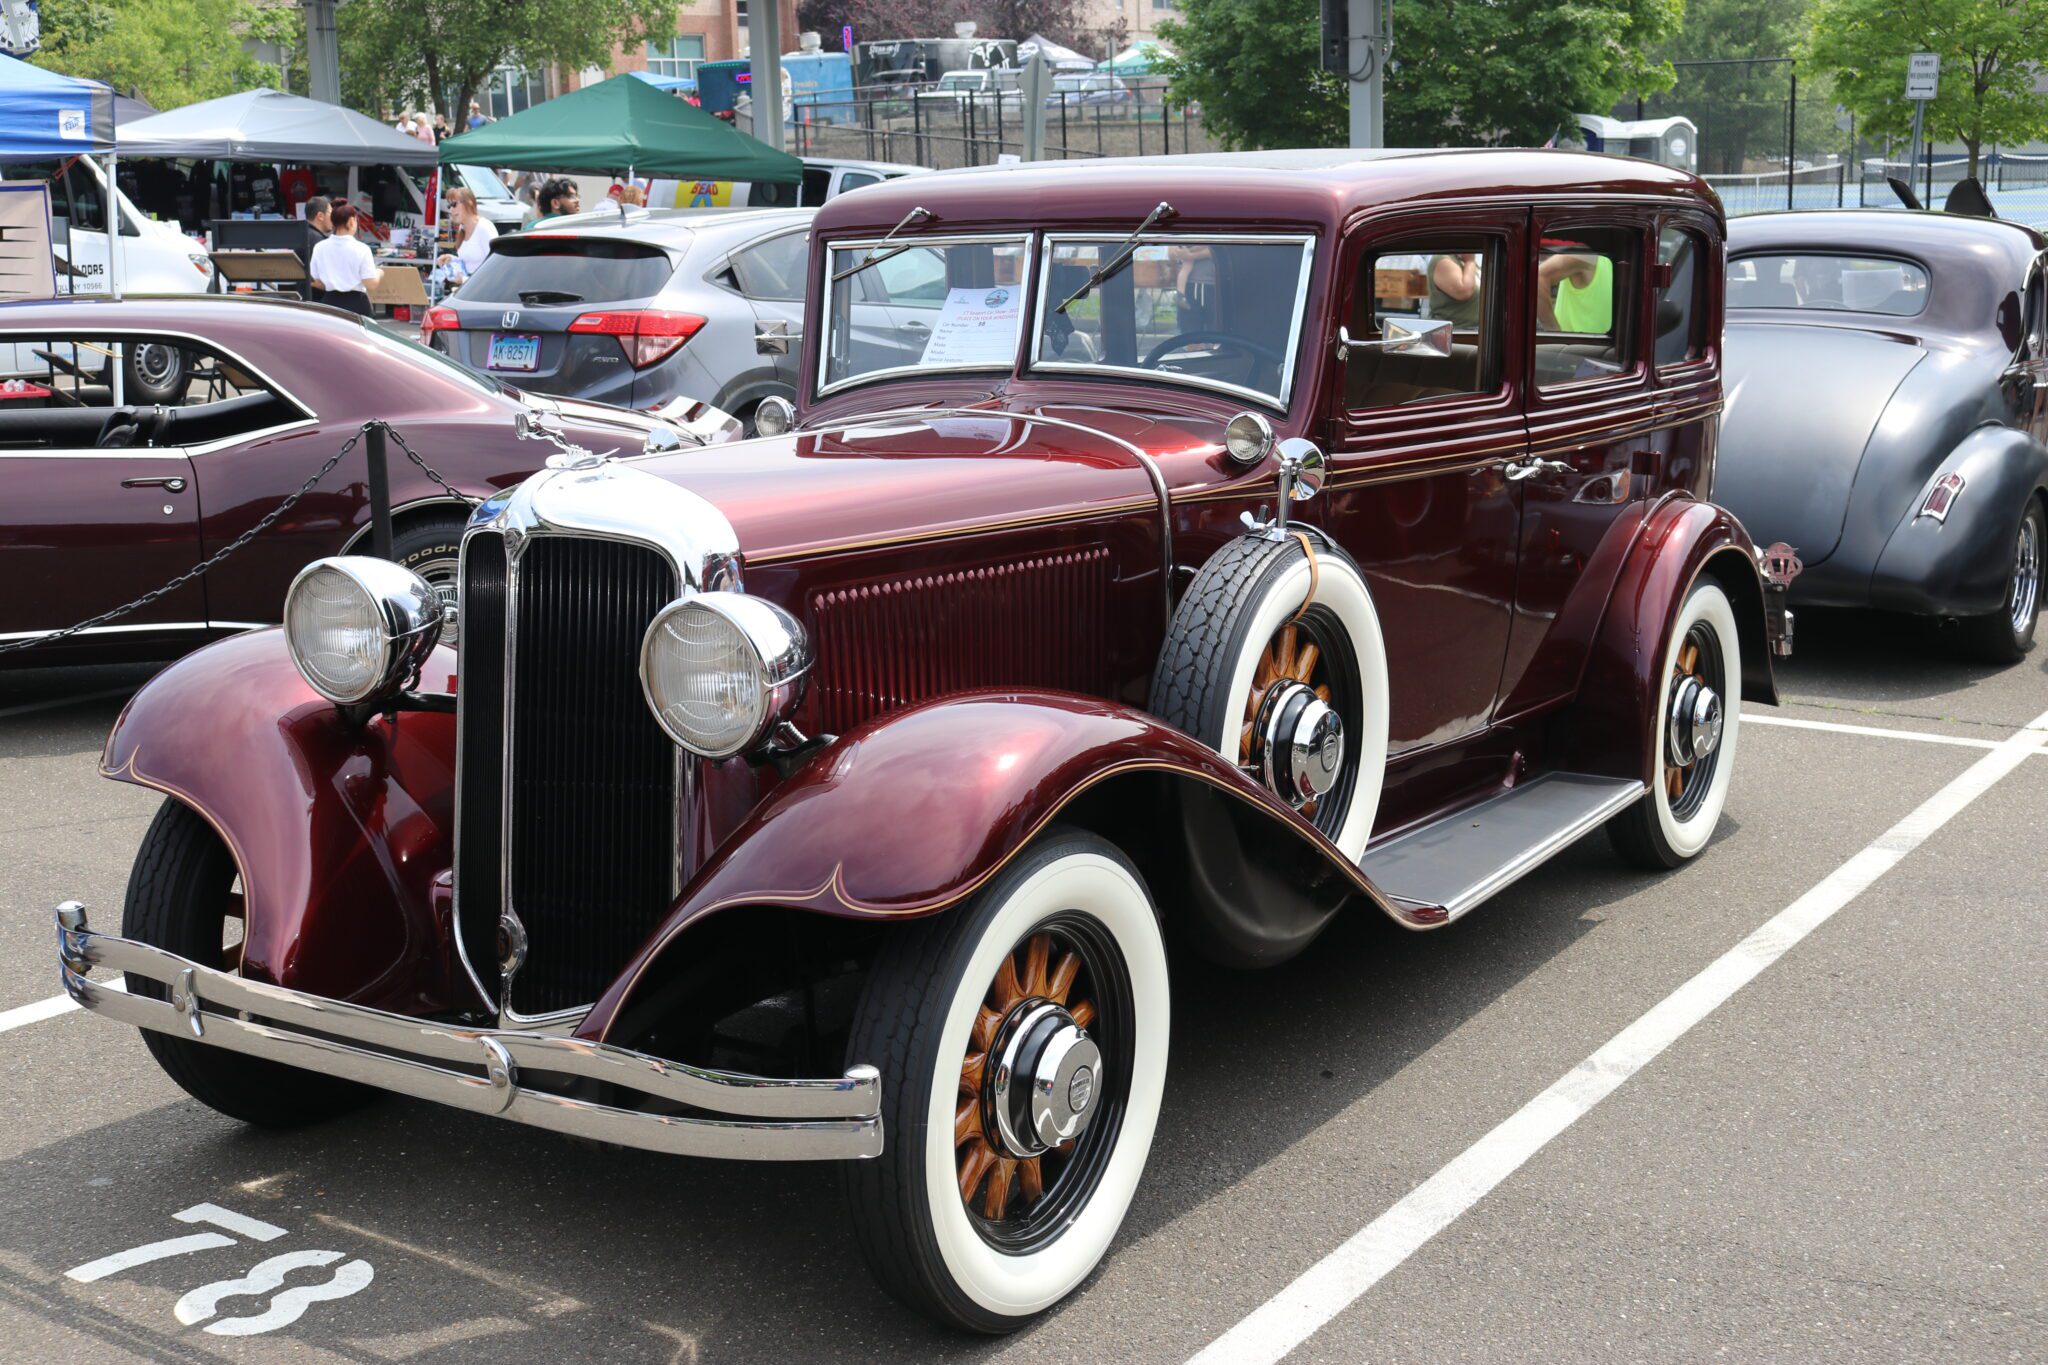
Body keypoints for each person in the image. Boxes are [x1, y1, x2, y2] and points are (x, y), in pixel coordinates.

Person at [308, 204, 381, 317]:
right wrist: (379, 273)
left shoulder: (320, 247)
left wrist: (332, 282)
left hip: (329, 302)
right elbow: (370, 284)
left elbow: (314, 281)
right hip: (357, 304)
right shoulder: (362, 249)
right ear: (351, 221)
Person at [436, 187, 497, 284]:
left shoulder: (484, 227)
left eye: (454, 204)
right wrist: (452, 259)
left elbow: (495, 266)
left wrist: (464, 280)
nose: (451, 210)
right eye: (449, 206)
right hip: (470, 287)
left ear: (469, 203)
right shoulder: (462, 227)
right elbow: (469, 262)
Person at [1428, 253, 1483, 328]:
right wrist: (1470, 262)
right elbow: (1464, 292)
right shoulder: (1442, 259)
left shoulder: (1462, 258)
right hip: (1459, 330)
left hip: (1477, 328)